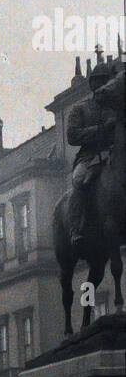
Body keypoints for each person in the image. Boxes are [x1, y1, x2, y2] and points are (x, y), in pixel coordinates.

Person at [67, 64, 118, 256]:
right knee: (79, 181)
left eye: (106, 81)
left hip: (114, 153)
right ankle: (75, 230)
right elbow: (72, 136)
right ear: (92, 85)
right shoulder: (79, 109)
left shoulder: (117, 108)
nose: (102, 85)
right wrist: (99, 130)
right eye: (99, 82)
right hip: (89, 157)